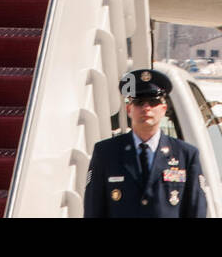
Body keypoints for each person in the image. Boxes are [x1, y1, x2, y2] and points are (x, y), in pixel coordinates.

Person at [82, 69, 207, 219]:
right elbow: (93, 209)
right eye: (139, 103)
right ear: (129, 109)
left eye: (153, 102)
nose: (146, 108)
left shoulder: (186, 155)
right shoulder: (106, 153)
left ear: (163, 109)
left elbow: (196, 210)